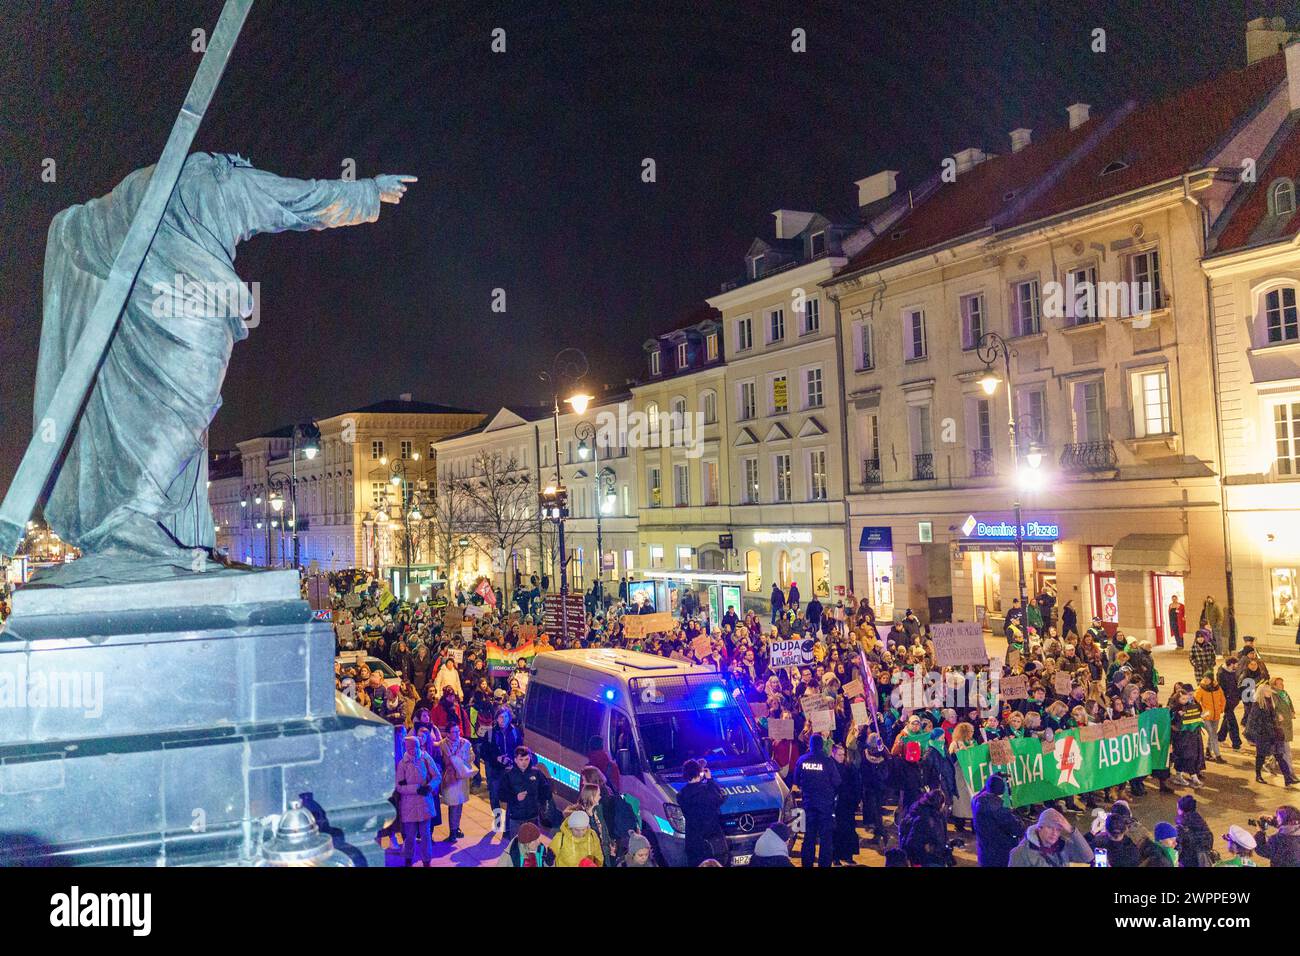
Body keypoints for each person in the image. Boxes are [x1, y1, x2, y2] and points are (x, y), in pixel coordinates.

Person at [793, 732, 840, 868]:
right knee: (826, 840)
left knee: (809, 837)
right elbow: (837, 781)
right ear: (821, 746)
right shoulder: (827, 761)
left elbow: (796, 780)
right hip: (825, 806)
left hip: (808, 805)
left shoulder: (802, 760)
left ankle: (807, 864)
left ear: (810, 745)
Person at [395, 735, 439, 867]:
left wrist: (430, 786)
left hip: (424, 803)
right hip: (409, 804)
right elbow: (399, 786)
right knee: (410, 836)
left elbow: (437, 776)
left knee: (426, 835)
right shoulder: (403, 763)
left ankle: (427, 860)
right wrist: (415, 789)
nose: (412, 750)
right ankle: (408, 859)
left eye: (414, 747)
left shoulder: (425, 758)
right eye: (409, 748)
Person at [678, 759, 727, 867]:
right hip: (711, 841)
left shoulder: (681, 795)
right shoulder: (706, 791)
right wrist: (710, 780)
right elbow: (721, 797)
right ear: (699, 773)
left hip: (693, 842)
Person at [1009, 807, 1093, 867]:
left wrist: (1071, 830)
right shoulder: (1021, 853)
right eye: (1050, 827)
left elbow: (1088, 857)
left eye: (1058, 829)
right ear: (1039, 828)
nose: (1054, 833)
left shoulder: (1062, 845)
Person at [499, 745, 553, 838]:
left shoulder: (536, 773)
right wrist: (516, 798)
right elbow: (501, 795)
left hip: (533, 817)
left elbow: (546, 790)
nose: (524, 763)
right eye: (521, 760)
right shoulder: (508, 774)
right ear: (515, 760)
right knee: (517, 845)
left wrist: (541, 802)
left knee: (532, 844)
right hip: (516, 817)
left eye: (526, 759)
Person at [972, 775, 1023, 867]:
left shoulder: (976, 801)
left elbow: (988, 787)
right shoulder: (1000, 810)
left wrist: (995, 776)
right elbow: (1017, 829)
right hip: (1000, 854)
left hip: (985, 852)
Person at [439, 721, 475, 841]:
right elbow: (439, 760)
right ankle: (452, 831)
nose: (457, 734)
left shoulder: (465, 743)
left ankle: (456, 828)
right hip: (450, 777)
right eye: (454, 732)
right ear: (448, 734)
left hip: (462, 776)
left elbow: (472, 756)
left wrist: (462, 758)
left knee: (459, 804)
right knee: (453, 804)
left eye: (458, 731)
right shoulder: (442, 745)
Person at [482, 706, 524, 810]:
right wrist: (496, 758)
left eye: (505, 717)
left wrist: (514, 759)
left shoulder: (515, 732)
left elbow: (520, 749)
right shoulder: (490, 733)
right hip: (495, 770)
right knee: (495, 795)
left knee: (512, 795)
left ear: (509, 718)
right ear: (496, 718)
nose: (503, 720)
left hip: (511, 769)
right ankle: (497, 820)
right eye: (501, 717)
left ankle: (510, 820)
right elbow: (484, 752)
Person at [830, 741, 860, 865]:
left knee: (849, 830)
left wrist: (856, 800)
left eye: (843, 754)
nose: (842, 757)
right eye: (839, 755)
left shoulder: (849, 766)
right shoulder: (830, 766)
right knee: (836, 831)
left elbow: (856, 783)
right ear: (833, 754)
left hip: (848, 804)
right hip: (836, 805)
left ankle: (848, 855)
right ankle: (836, 857)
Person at [1175, 795, 1214, 867]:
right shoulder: (1202, 823)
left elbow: (1176, 849)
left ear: (1182, 810)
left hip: (1187, 863)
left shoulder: (1181, 827)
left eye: (1178, 808)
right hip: (1204, 862)